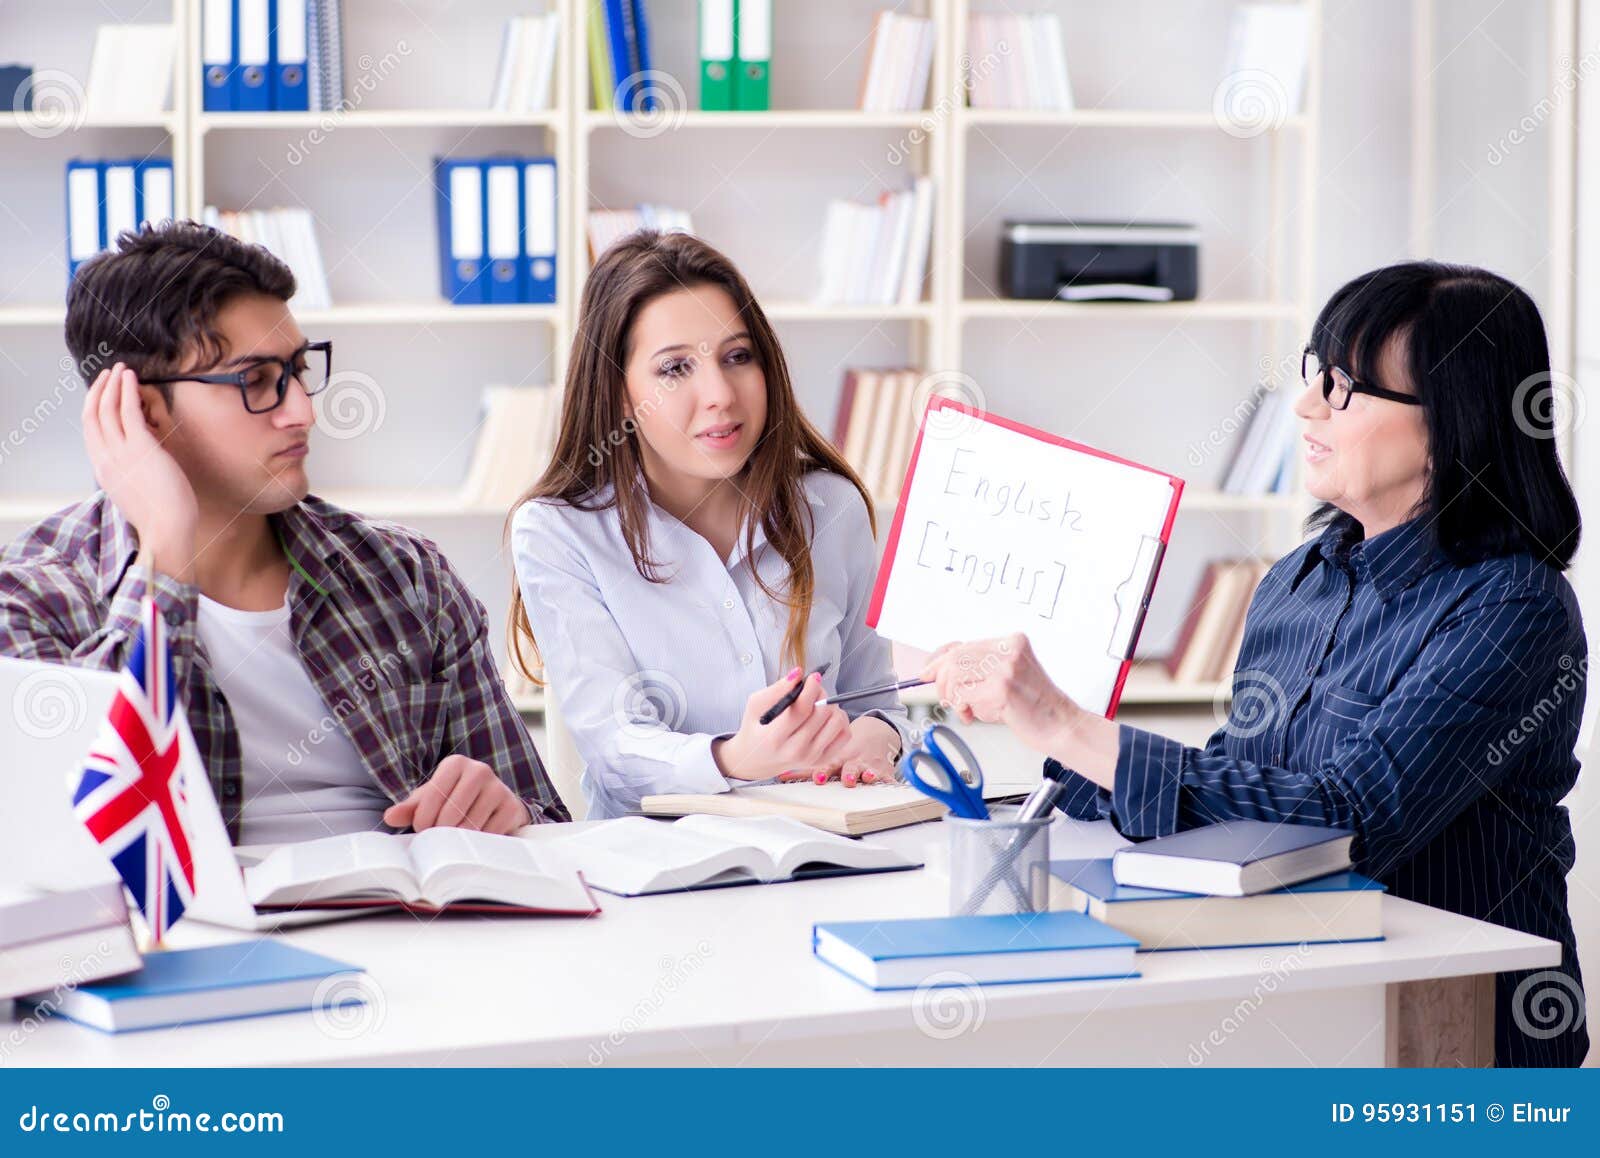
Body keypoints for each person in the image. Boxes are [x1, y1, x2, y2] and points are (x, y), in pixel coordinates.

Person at [923, 261, 1588, 1067]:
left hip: (1456, 1037)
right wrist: (1046, 750)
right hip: (1304, 1010)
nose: (1306, 405)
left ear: (1454, 422)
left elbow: (1352, 822)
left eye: (1345, 387)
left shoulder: (1514, 608)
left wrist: (1070, 724)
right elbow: (1243, 796)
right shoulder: (1297, 581)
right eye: (1315, 372)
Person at [0, 221, 566, 843]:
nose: (303, 410)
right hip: (189, 933)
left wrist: (510, 814)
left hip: (407, 928)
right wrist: (166, 549)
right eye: (255, 381)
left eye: (298, 370)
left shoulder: (406, 576)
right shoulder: (30, 598)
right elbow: (81, 841)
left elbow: (545, 820)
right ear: (144, 412)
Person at [509, 230, 906, 819]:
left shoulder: (832, 507)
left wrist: (880, 738)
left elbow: (878, 698)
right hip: (661, 877)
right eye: (675, 369)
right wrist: (736, 758)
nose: (720, 394)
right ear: (620, 394)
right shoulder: (559, 533)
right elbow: (615, 750)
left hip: (832, 857)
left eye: (737, 357)